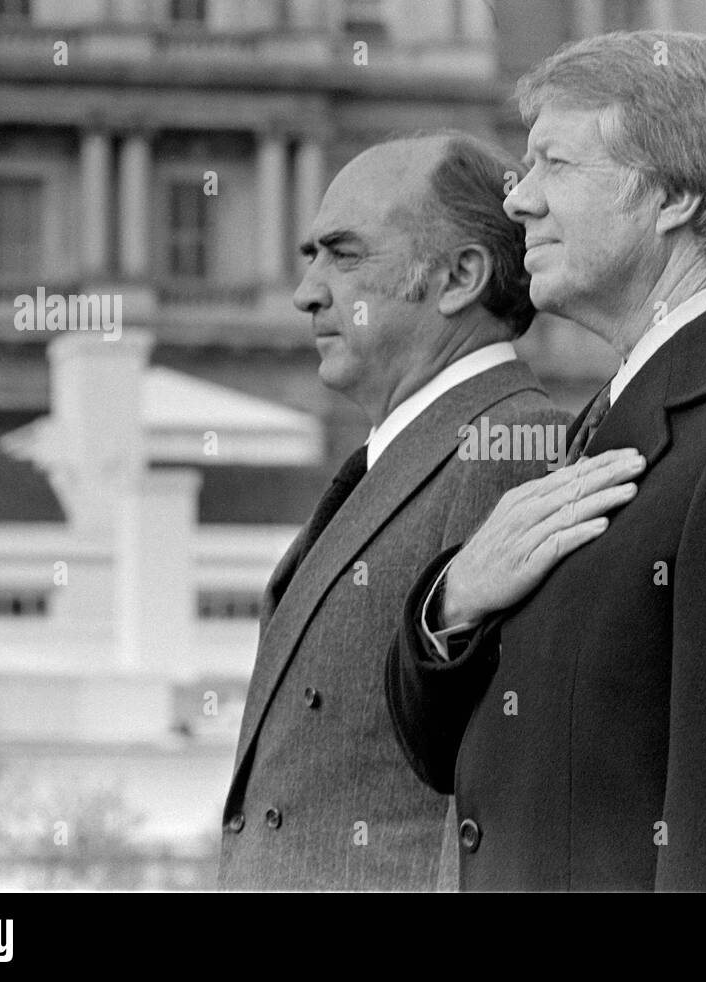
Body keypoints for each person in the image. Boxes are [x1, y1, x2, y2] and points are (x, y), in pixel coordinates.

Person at [385, 32, 706, 891]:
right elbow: (448, 760)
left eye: (554, 163)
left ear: (671, 196)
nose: (518, 201)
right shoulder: (617, 416)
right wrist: (456, 599)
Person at [219, 131, 568, 891]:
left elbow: (497, 790)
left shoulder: (507, 444)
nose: (307, 291)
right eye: (312, 255)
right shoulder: (408, 445)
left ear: (459, 277)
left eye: (344, 256)